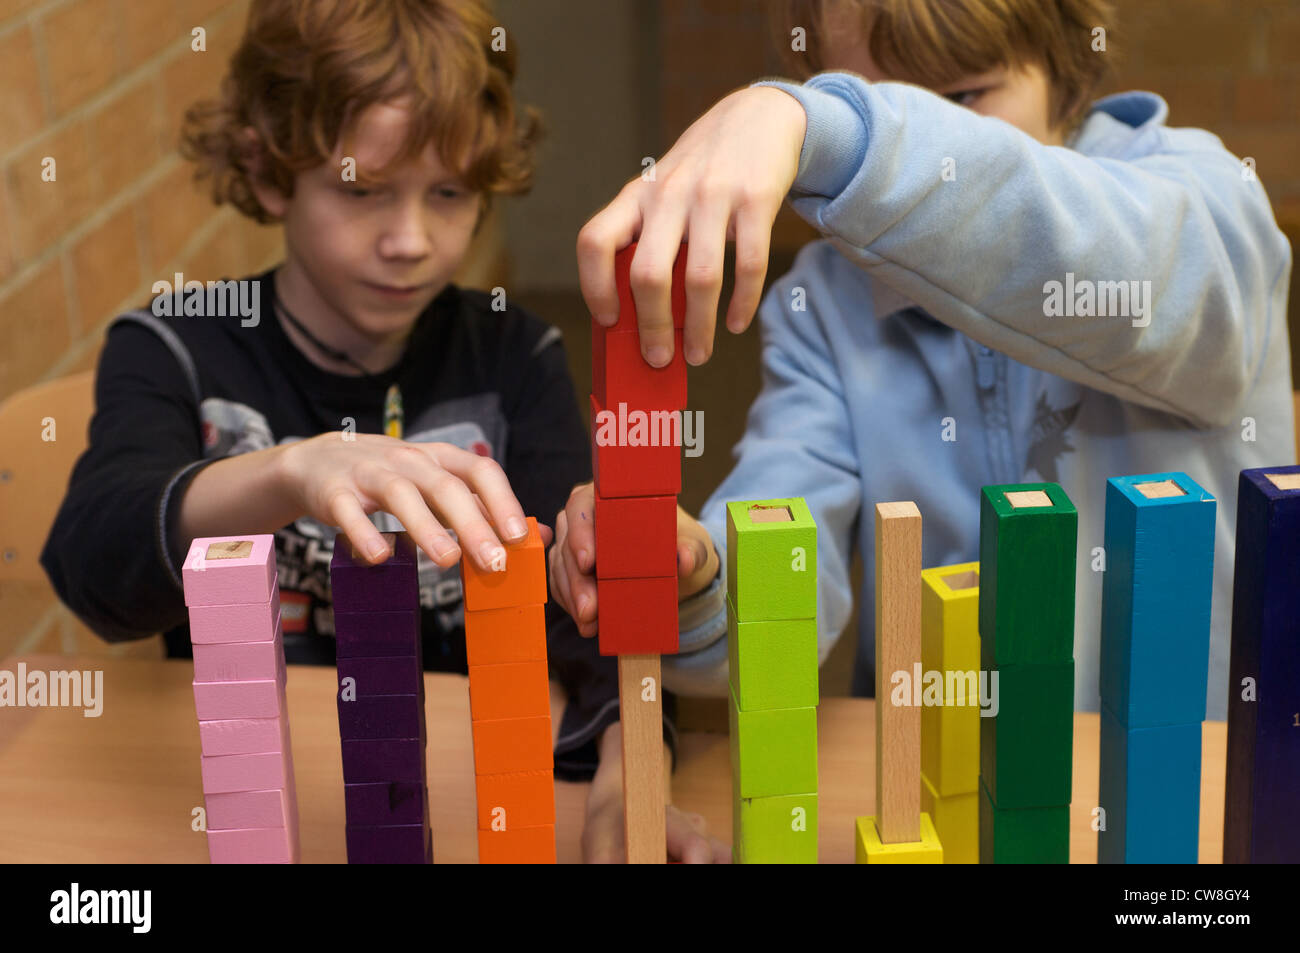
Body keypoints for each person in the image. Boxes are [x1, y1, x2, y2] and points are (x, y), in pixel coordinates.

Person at [41, 0, 726, 863]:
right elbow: (93, 562)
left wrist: (625, 787)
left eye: (448, 193)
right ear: (266, 171)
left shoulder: (516, 353)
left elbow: (589, 623)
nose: (411, 241)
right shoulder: (173, 346)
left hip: (464, 798)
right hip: (264, 811)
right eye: (362, 190)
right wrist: (290, 472)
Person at [549, 0, 1294, 720]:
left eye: (967, 93)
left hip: (1201, 785)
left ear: (1065, 66)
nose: (935, 147)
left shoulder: (1205, 198)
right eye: (873, 101)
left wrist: (841, 136)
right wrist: (690, 577)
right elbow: (775, 599)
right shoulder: (824, 310)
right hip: (938, 785)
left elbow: (1154, 284)